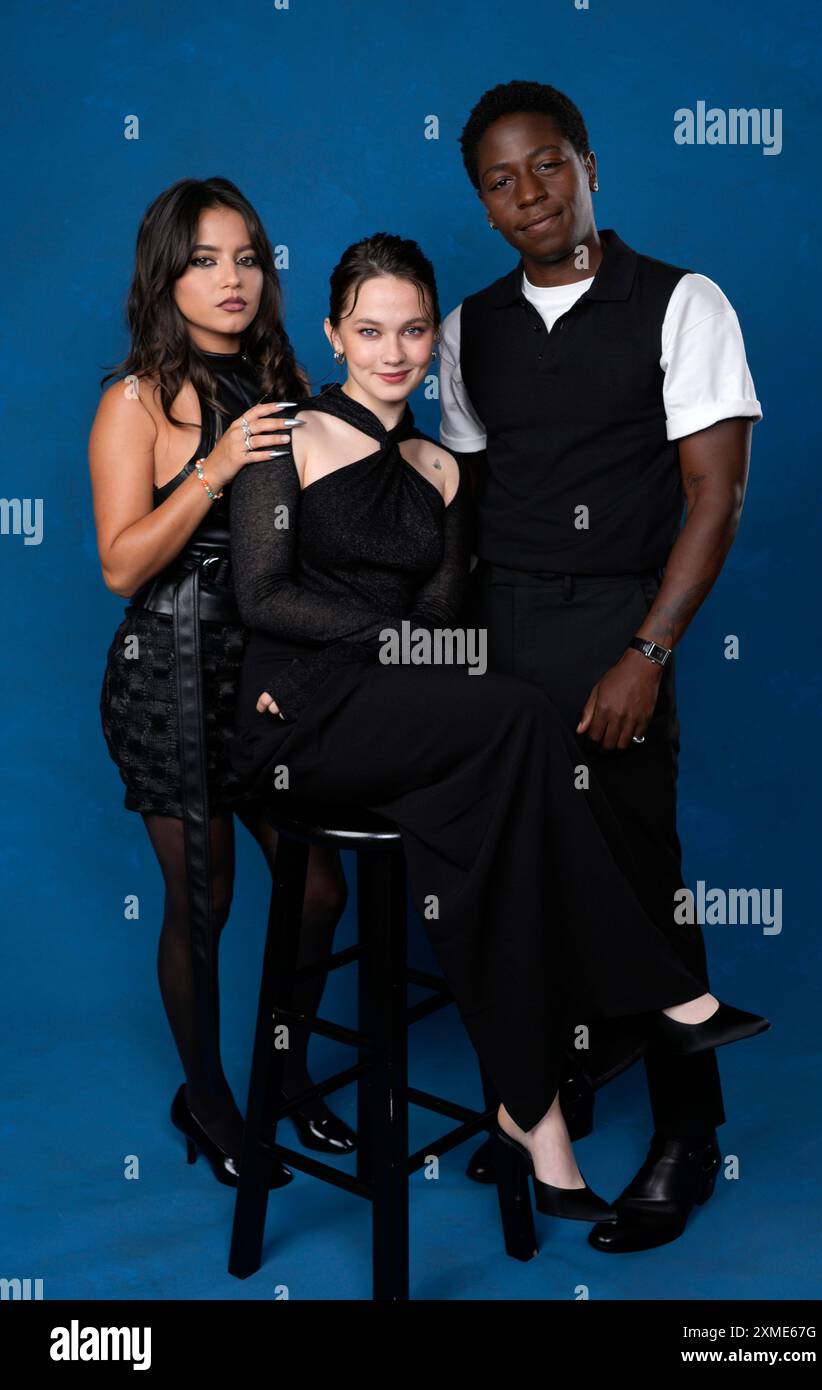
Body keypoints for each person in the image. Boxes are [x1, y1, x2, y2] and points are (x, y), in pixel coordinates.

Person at [228, 231, 769, 1226]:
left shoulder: (438, 468)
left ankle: (532, 1108)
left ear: (437, 339)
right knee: (520, 711)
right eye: (369, 330)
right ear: (333, 334)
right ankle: (654, 995)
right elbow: (263, 596)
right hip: (290, 720)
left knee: (495, 829)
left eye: (413, 330)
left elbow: (436, 634)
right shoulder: (287, 435)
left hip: (383, 708)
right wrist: (364, 653)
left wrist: (399, 651)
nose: (392, 352)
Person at [437, 79, 763, 1251]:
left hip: (617, 631)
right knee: (525, 878)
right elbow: (462, 506)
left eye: (544, 167)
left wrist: (645, 653)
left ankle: (688, 1130)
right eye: (497, 179)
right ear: (478, 202)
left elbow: (713, 499)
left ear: (586, 165)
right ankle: (552, 1098)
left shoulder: (680, 302)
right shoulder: (468, 328)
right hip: (501, 632)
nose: (525, 194)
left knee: (636, 869)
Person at [91, 176, 356, 1191]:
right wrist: (211, 467)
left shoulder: (279, 372)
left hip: (264, 675)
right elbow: (120, 564)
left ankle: (283, 1075)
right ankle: (207, 1100)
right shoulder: (136, 399)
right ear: (167, 275)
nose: (232, 277)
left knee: (318, 886)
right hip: (167, 671)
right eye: (205, 259)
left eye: (247, 255)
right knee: (204, 898)